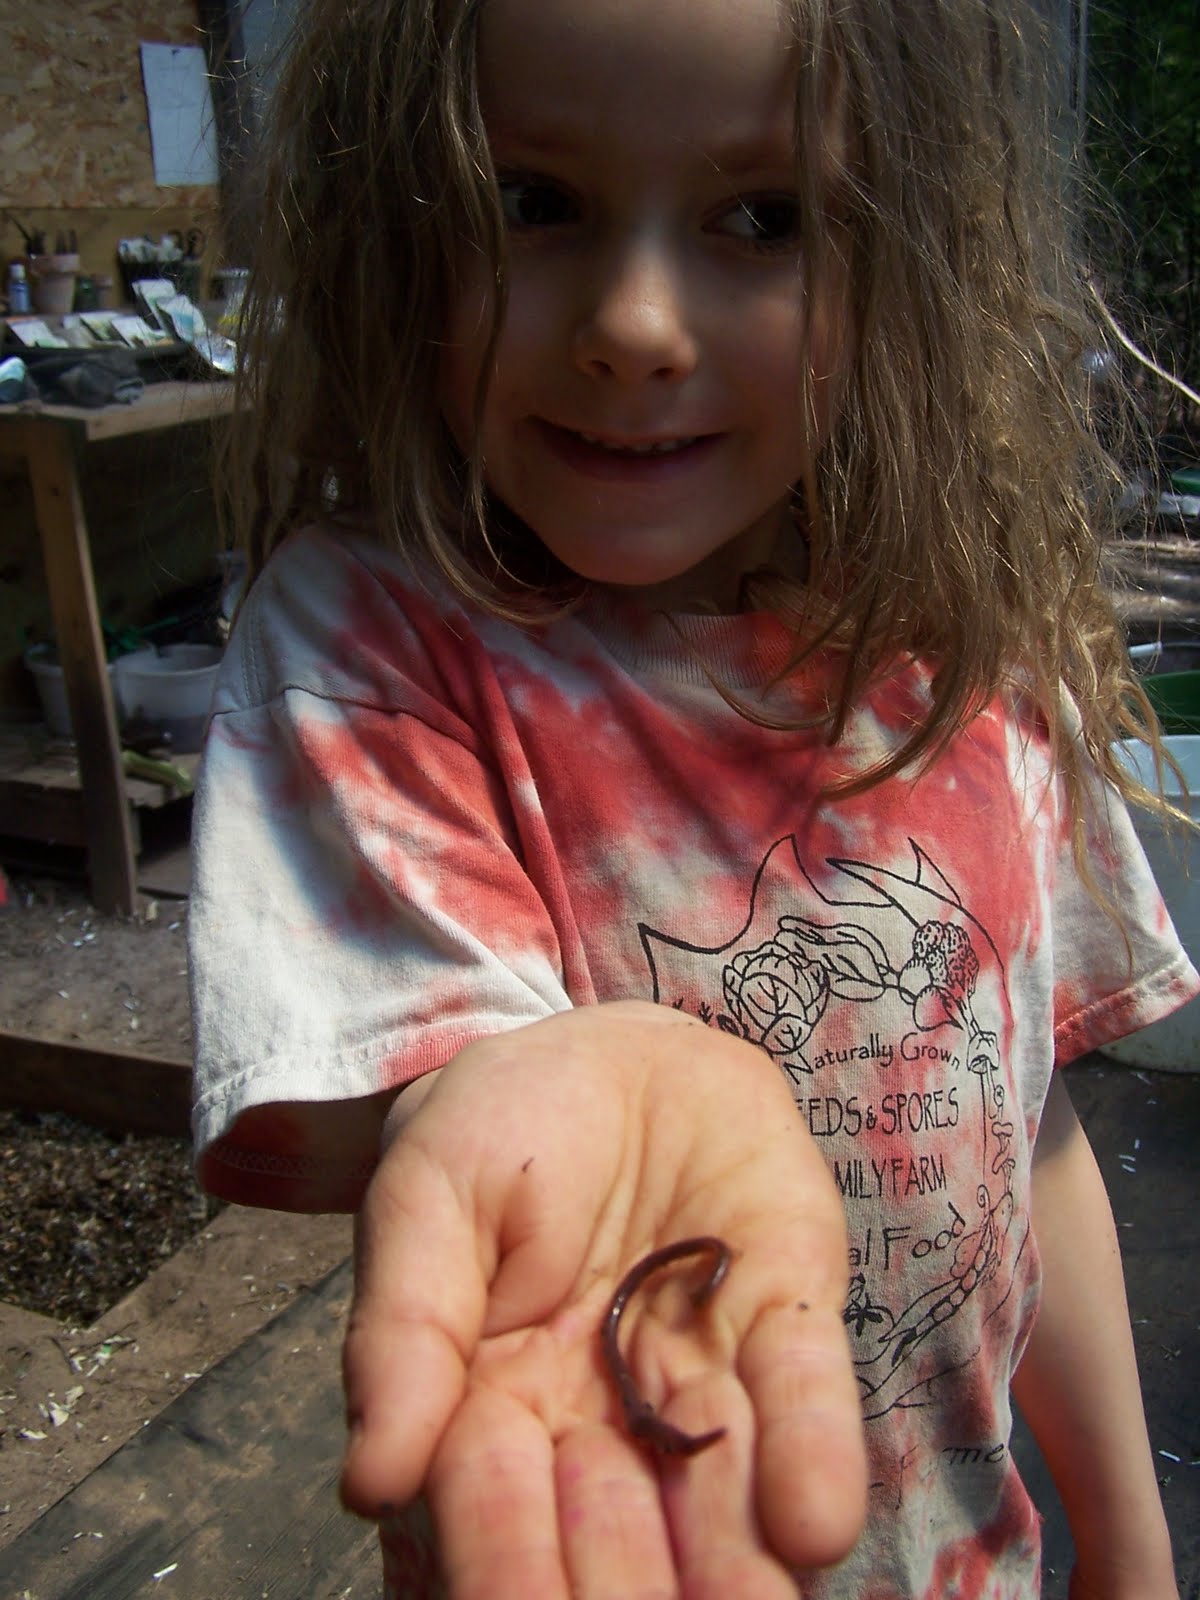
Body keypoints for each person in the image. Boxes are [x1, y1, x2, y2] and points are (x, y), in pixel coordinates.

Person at [188, 0, 1196, 1593]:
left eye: (764, 217)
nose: (637, 323)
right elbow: (423, 1103)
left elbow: (1032, 1128)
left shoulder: (966, 659)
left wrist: (1132, 1549)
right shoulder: (372, 656)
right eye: (531, 203)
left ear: (906, 257)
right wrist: (483, 1099)